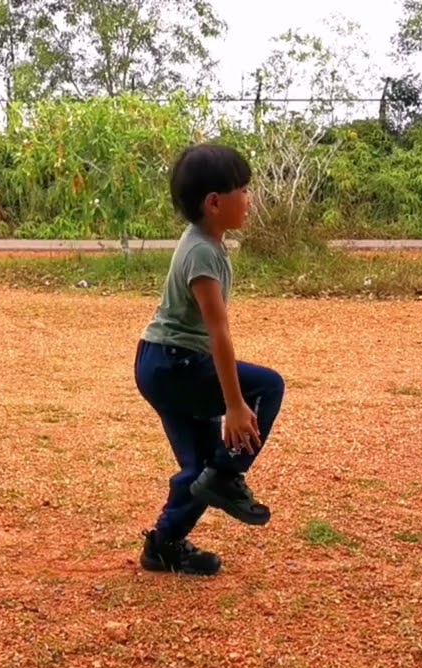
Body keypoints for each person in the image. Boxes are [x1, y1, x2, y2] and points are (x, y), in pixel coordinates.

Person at [134, 143, 287, 577]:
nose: (249, 197)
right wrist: (235, 405)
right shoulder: (202, 252)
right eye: (242, 189)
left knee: (199, 468)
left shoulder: (206, 243)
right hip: (174, 363)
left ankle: (163, 545)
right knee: (268, 386)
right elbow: (218, 332)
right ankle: (226, 475)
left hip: (159, 364)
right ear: (214, 203)